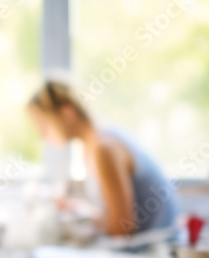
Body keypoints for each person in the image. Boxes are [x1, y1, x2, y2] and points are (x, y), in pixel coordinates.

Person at [27, 77, 179, 236]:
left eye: (43, 124)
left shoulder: (105, 149)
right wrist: (73, 206)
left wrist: (80, 210)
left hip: (158, 250)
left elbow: (121, 230)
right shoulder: (94, 144)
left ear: (67, 112)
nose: (42, 135)